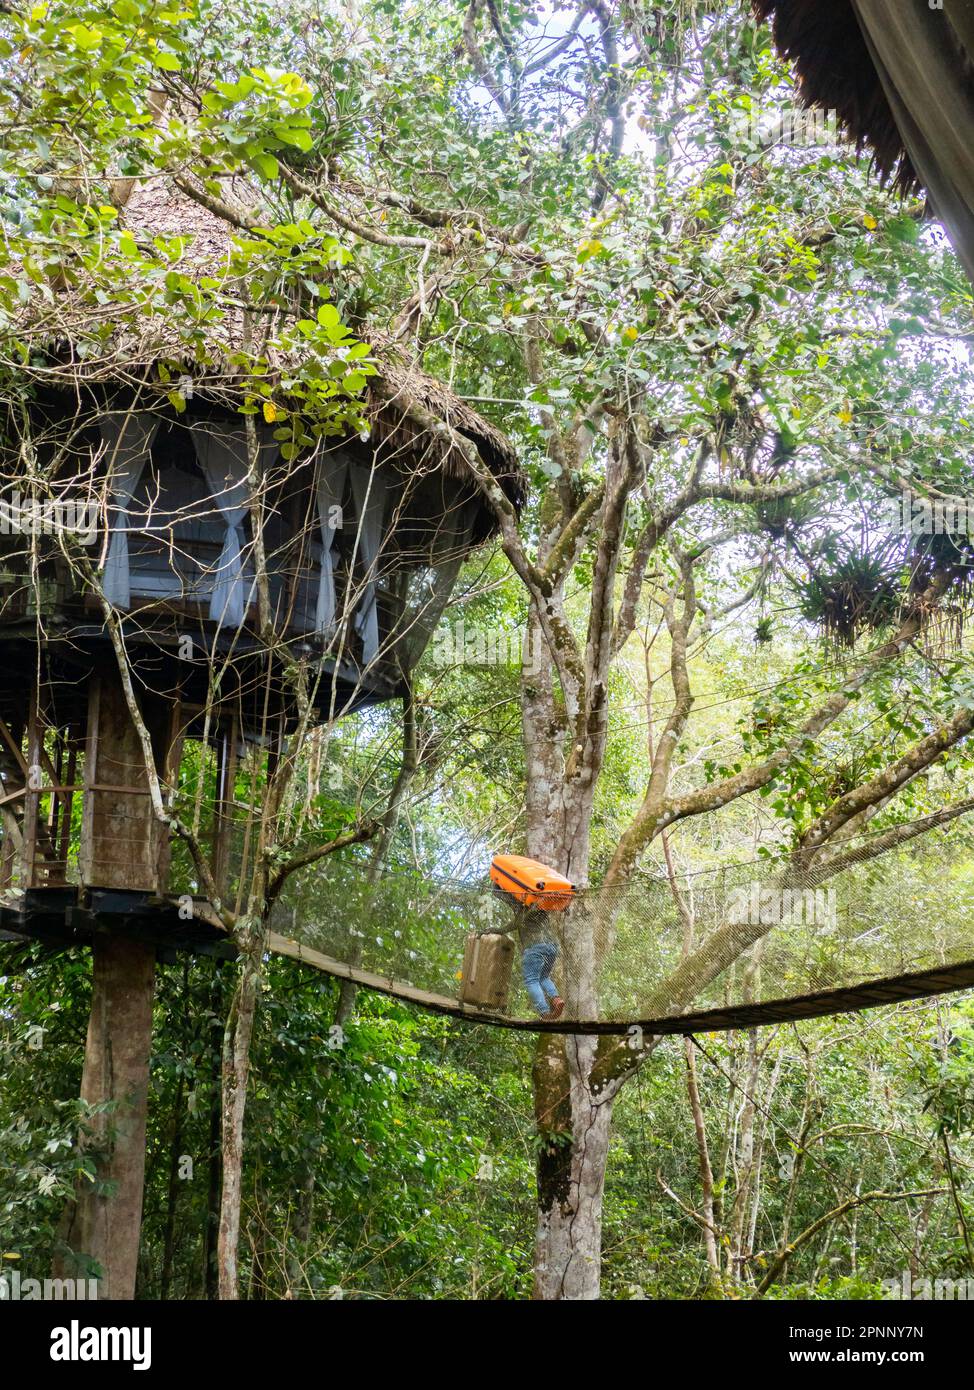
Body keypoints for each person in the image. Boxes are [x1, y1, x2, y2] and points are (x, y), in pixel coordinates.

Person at [484, 895, 565, 1020]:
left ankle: (545, 1013)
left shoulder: (524, 907)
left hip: (535, 946)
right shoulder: (541, 905)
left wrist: (498, 930)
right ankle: (556, 999)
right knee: (544, 977)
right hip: (552, 947)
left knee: (531, 980)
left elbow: (515, 923)